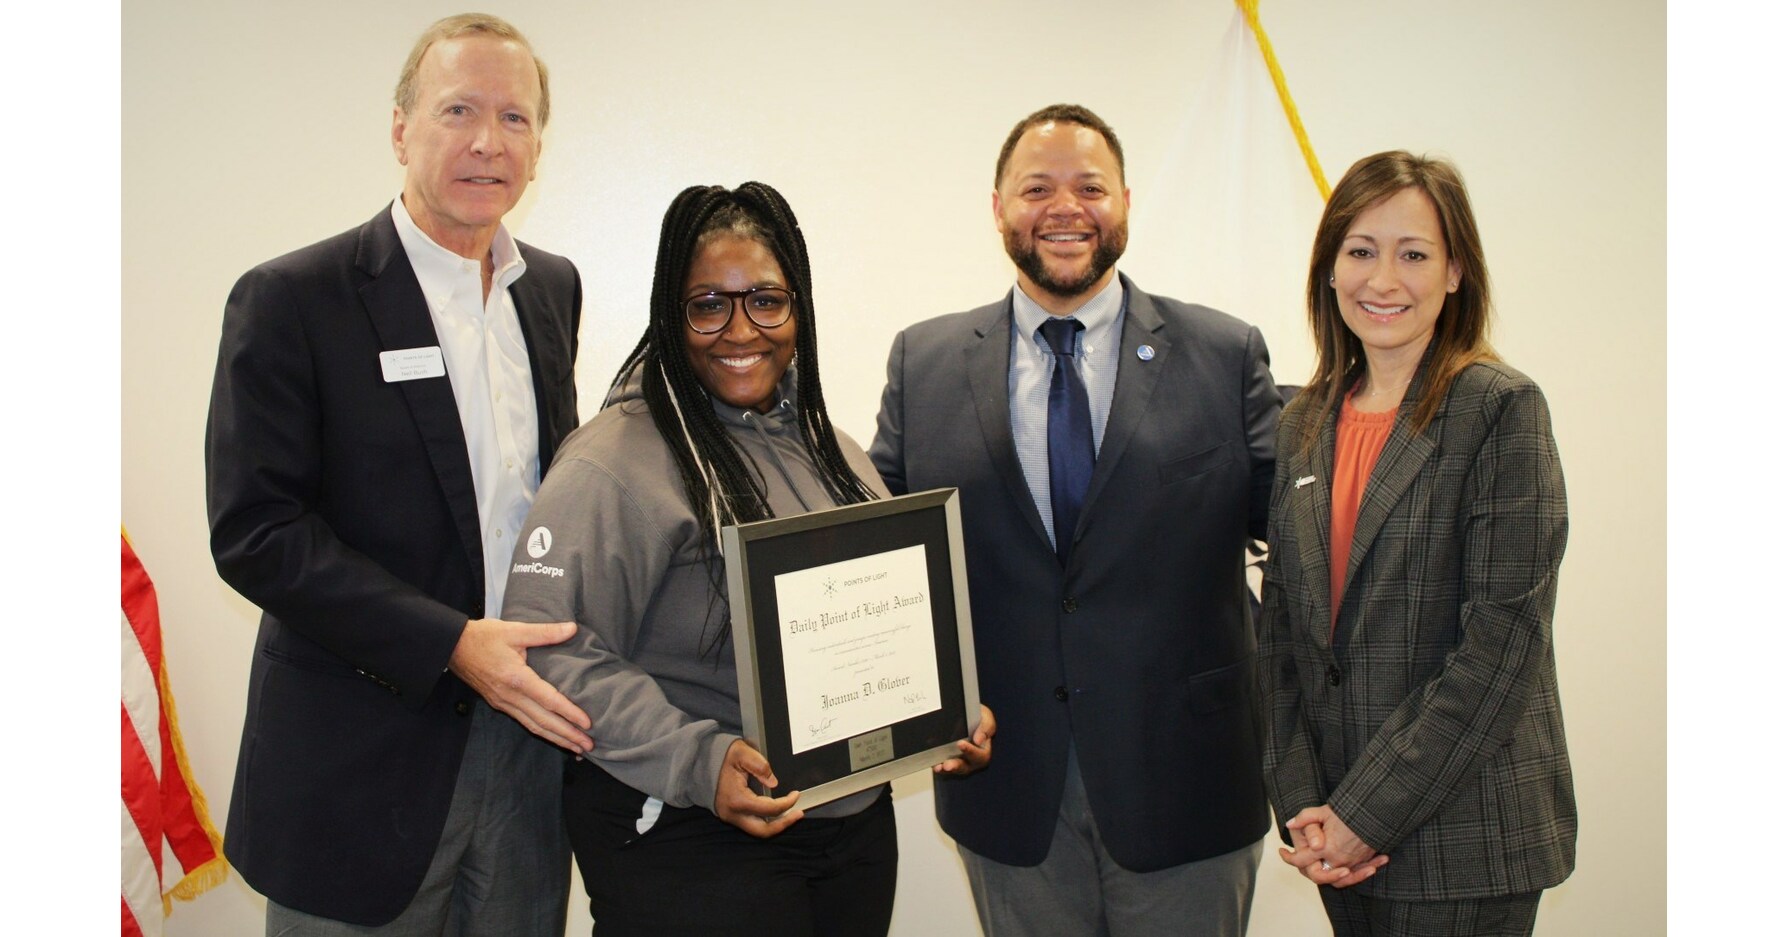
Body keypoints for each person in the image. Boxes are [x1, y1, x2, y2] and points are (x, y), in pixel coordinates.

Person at [503, 181, 995, 937]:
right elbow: (548, 654)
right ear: (673, 313)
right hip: (688, 833)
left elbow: (880, 616)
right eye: (709, 303)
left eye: (766, 300)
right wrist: (699, 760)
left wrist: (940, 709)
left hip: (848, 833)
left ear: (798, 309)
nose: (741, 329)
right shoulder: (613, 461)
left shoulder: (837, 453)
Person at [205, 14, 588, 933]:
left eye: (516, 117)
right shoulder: (293, 298)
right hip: (356, 767)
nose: (488, 142)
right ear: (400, 128)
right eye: (458, 110)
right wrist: (451, 641)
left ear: (539, 148)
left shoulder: (553, 289)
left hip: (527, 755)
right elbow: (257, 531)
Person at [869, 103, 1279, 936]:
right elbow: (884, 562)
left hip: (1189, 785)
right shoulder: (925, 363)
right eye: (1037, 188)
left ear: (1126, 200)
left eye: (1090, 187)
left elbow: (1301, 537)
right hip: (1010, 787)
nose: (1065, 209)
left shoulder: (1226, 353)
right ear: (997, 208)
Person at [1256, 150, 1575, 936]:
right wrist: (1303, 804)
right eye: (1360, 251)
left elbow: (1500, 646)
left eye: (1414, 253)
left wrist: (1365, 815)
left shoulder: (1499, 409)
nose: (1383, 279)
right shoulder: (1304, 423)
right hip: (1338, 840)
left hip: (1463, 843)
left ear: (1456, 270)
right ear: (1329, 269)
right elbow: (1283, 637)